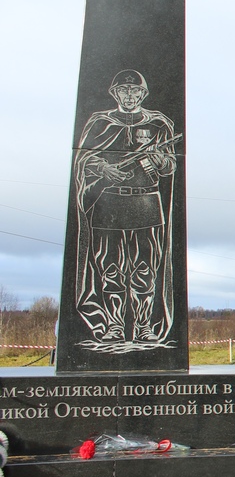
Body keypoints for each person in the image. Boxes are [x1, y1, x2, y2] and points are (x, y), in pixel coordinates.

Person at [71, 70, 179, 346]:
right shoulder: (99, 123)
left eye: (134, 92)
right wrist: (104, 168)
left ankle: (144, 327)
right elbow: (84, 160)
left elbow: (170, 167)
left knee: (145, 269)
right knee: (110, 269)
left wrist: (158, 161)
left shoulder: (158, 124)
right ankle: (115, 326)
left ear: (143, 94)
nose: (129, 96)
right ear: (115, 94)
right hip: (109, 205)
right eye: (123, 91)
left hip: (146, 203)